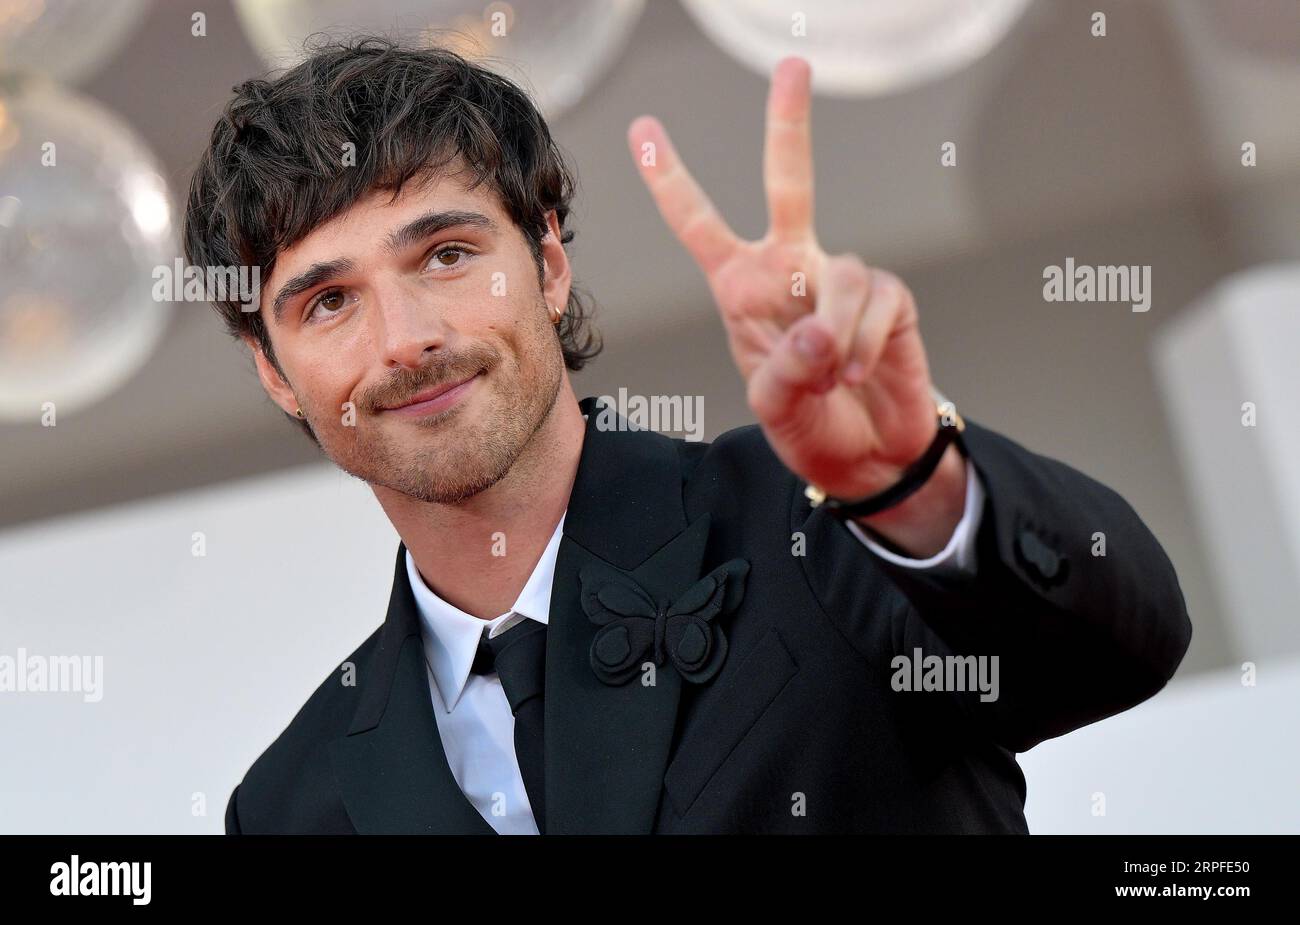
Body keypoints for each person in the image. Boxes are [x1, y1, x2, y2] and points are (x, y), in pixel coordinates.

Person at [184, 37, 1191, 834]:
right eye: (326, 303)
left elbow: (1119, 650)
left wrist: (912, 481)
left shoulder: (821, 525)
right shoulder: (284, 804)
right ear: (275, 372)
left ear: (547, 266)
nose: (407, 340)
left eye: (447, 254)